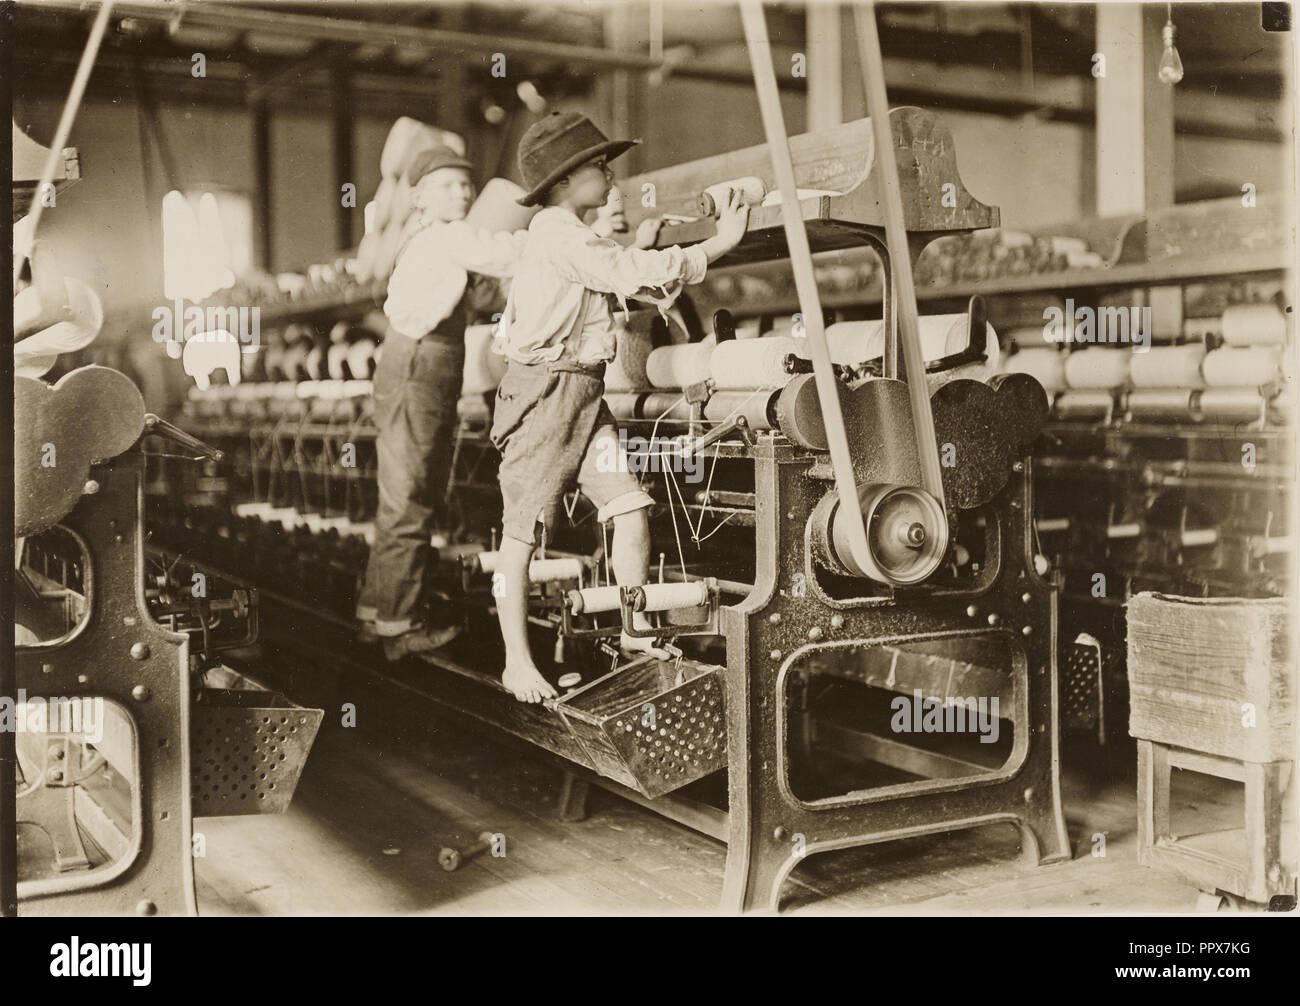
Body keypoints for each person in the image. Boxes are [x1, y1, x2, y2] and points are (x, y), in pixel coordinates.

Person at [490, 112, 749, 702]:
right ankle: (515, 662)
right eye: (598, 167)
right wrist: (719, 243)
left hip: (584, 393)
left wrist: (656, 247)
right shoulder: (558, 232)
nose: (611, 177)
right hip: (545, 396)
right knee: (522, 538)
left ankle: (633, 626)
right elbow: (632, 273)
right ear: (562, 182)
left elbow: (627, 272)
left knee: (629, 507)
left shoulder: (574, 235)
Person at [357, 144, 528, 661]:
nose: (461, 191)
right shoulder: (448, 236)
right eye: (448, 184)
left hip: (418, 365)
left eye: (464, 183)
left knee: (406, 494)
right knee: (411, 495)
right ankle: (400, 627)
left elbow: (478, 298)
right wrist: (562, 236)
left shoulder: (427, 241)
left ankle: (378, 610)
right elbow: (508, 254)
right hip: (421, 367)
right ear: (419, 197)